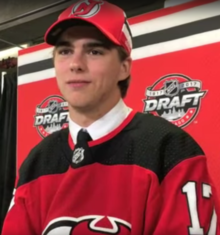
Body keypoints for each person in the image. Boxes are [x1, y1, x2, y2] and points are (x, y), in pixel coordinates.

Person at [2, 0, 220, 234]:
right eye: (65, 51)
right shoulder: (38, 160)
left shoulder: (170, 149)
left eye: (94, 51)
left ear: (123, 67)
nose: (75, 64)